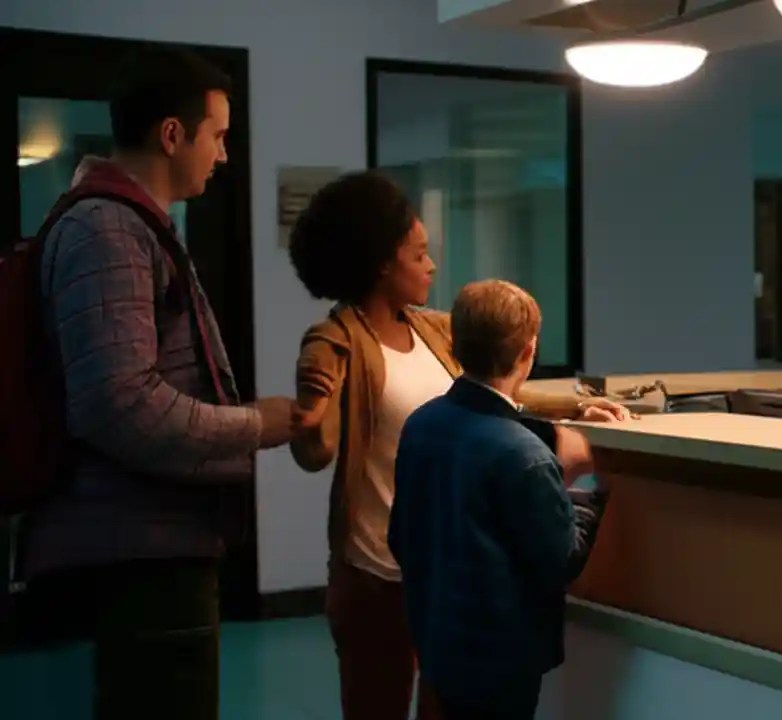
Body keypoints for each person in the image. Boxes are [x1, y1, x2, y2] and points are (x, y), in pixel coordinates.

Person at [287, 171, 626, 720]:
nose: (432, 266)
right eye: (419, 255)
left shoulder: (434, 330)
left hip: (436, 568)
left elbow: (500, 377)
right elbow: (315, 447)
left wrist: (573, 409)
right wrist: (308, 422)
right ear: (382, 263)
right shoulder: (336, 340)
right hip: (375, 571)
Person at [23, 48, 296, 719]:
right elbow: (119, 405)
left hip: (152, 541)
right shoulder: (107, 228)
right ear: (172, 135)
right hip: (140, 551)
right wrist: (258, 426)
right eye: (219, 136)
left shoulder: (132, 225)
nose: (224, 157)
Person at [390, 280, 611, 720]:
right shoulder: (525, 457)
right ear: (528, 353)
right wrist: (596, 495)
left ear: (455, 344)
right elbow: (561, 558)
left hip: (438, 640)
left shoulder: (421, 424)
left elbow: (400, 534)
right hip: (502, 660)